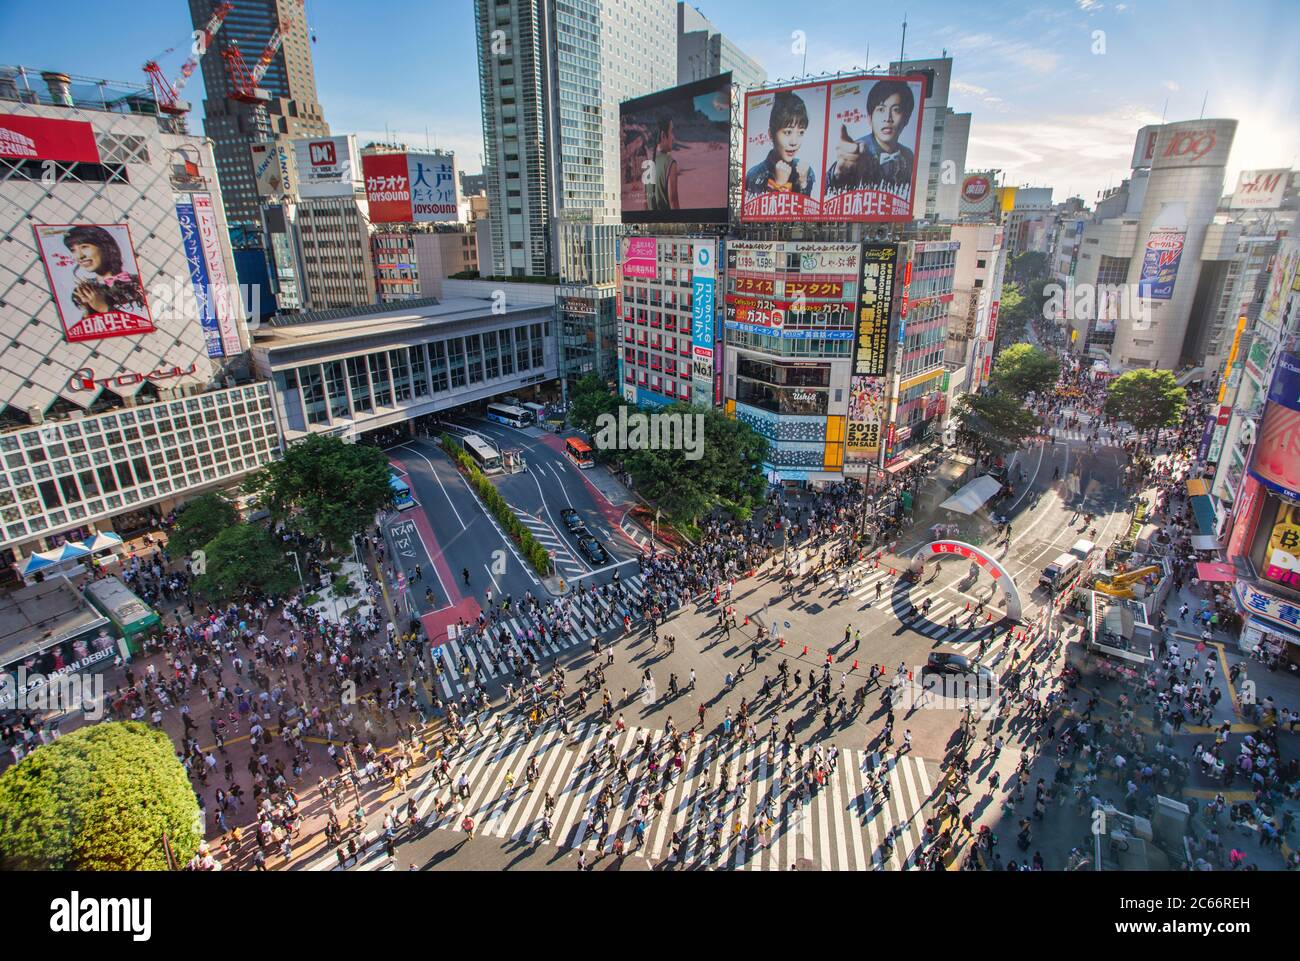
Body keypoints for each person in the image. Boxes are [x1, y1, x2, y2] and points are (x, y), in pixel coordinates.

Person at [825, 80, 916, 194]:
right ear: (869, 118)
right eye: (881, 109)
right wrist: (837, 174)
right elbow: (827, 186)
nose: (887, 118)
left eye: (896, 110)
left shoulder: (908, 155)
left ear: (906, 119)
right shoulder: (858, 150)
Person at [744, 90, 815, 199]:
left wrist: (803, 184)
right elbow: (756, 214)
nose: (794, 142)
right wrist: (778, 185)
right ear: (771, 134)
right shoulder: (755, 175)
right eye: (788, 132)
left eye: (801, 132)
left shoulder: (806, 173)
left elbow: (809, 213)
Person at [645, 118, 681, 212]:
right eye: (671, 132)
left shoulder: (648, 165)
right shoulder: (670, 163)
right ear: (663, 135)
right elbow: (673, 202)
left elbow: (645, 203)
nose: (673, 138)